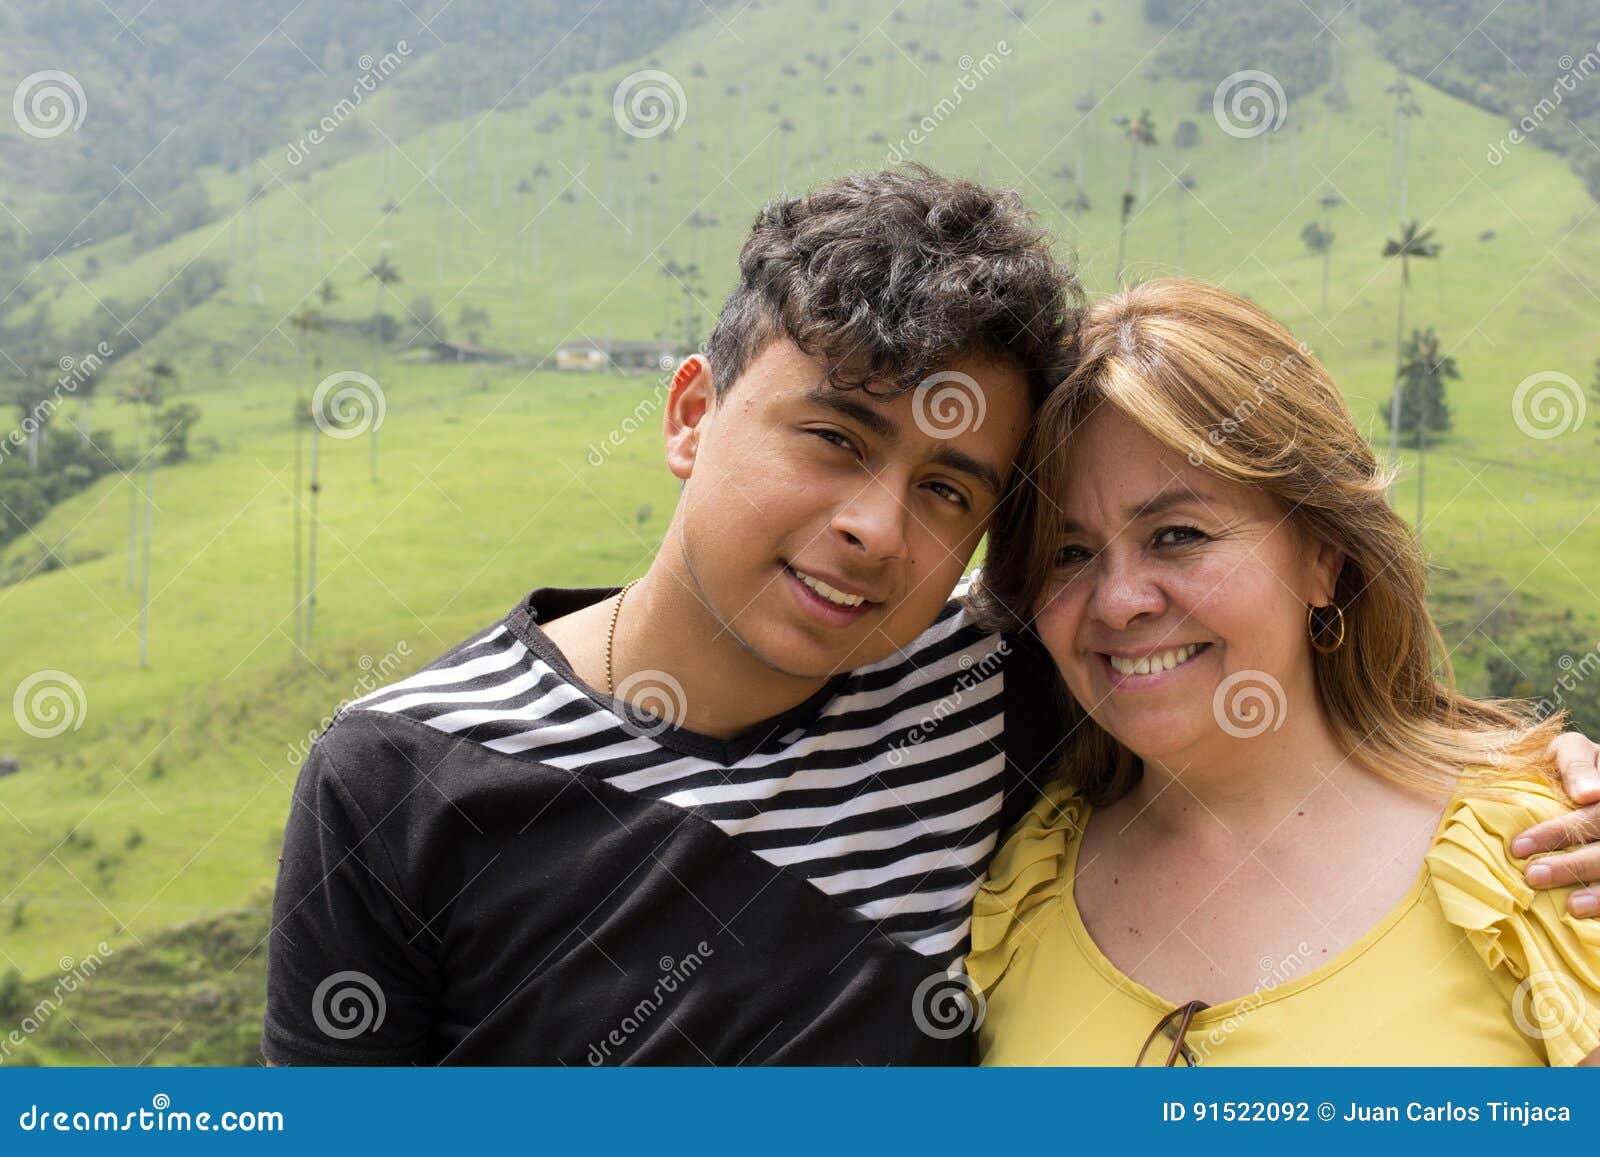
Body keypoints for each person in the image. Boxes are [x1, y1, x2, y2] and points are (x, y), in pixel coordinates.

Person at [263, 172, 1600, 1067]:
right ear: (688, 414)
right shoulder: (401, 778)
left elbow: (1251, 679)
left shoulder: (1001, 695)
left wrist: (1547, 780)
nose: (875, 526)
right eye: (834, 437)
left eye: (947, 488)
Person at [966, 278, 1600, 1066]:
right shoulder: (1011, 887)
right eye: (1069, 553)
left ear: (1323, 557)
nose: (1119, 599)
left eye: (1178, 534)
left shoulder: (1543, 865)